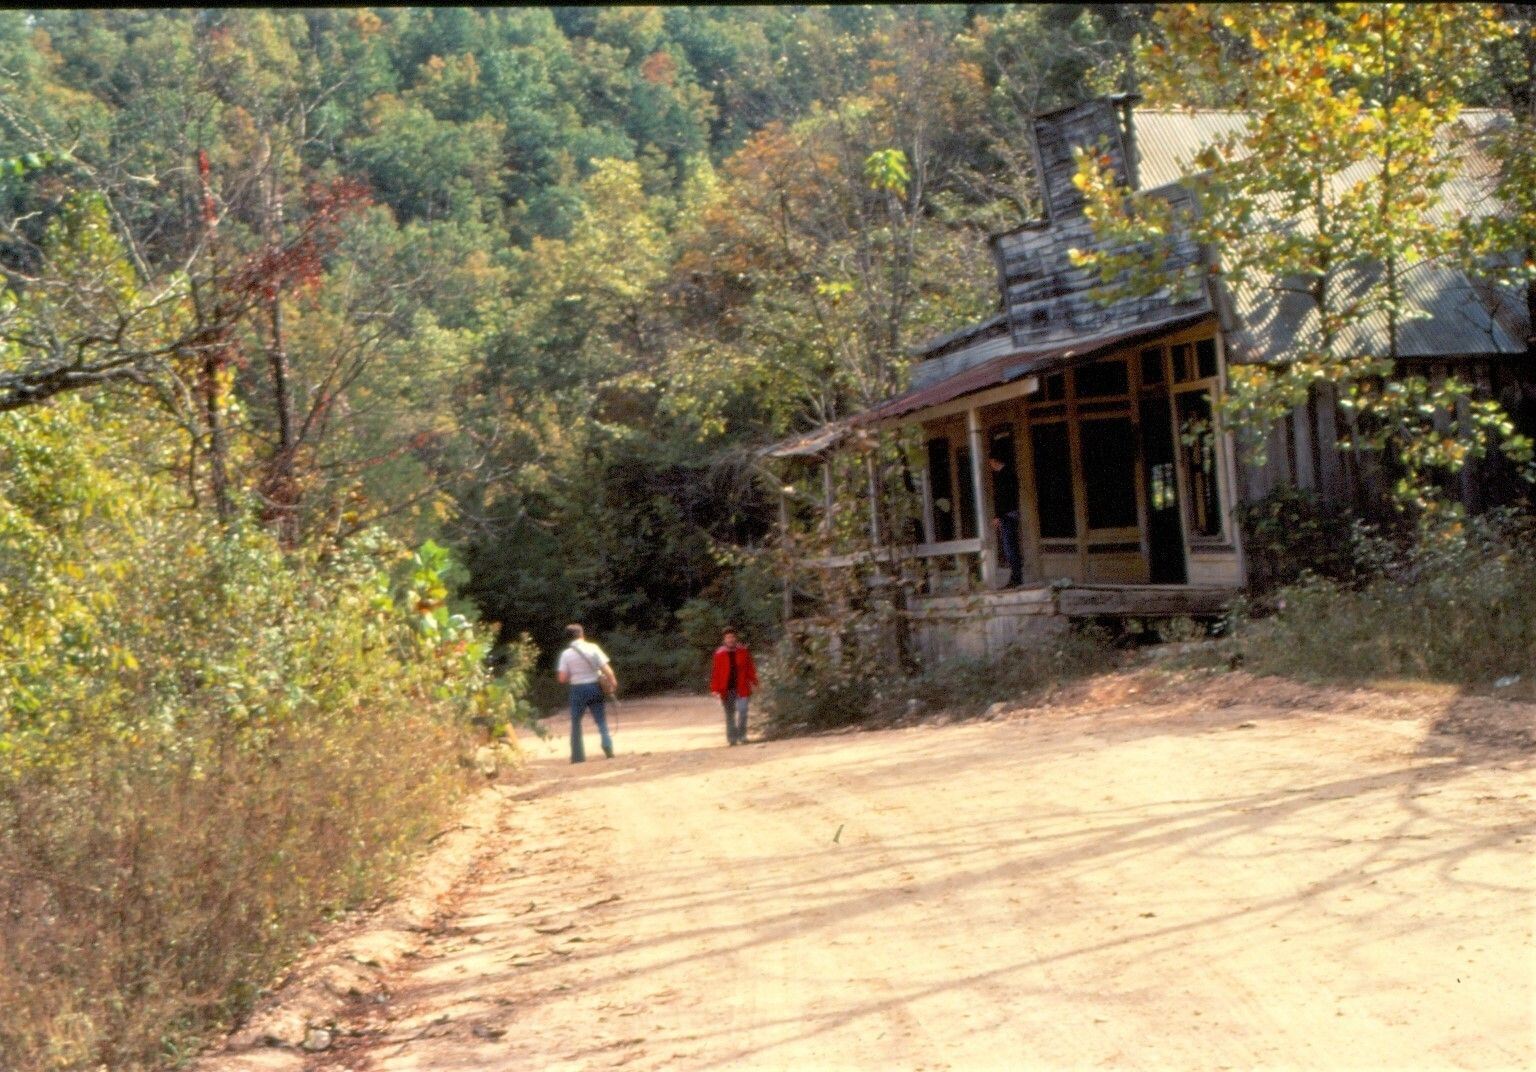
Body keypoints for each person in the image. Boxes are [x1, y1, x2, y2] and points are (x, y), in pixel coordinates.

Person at [557, 623, 615, 763]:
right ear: (582, 634)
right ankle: (608, 747)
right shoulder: (593, 648)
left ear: (568, 638)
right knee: (600, 719)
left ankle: (578, 756)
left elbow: (562, 678)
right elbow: (606, 669)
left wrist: (575, 674)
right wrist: (612, 682)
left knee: (576, 721)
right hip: (595, 687)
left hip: (577, 690)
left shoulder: (566, 654)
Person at [709, 627, 758, 747]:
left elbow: (750, 668)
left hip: (742, 687)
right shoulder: (719, 654)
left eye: (732, 637)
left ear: (735, 638)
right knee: (730, 714)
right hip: (726, 688)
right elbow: (716, 672)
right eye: (728, 638)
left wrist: (755, 682)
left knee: (743, 710)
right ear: (724, 640)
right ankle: (732, 738)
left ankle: (742, 735)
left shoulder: (743, 651)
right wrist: (715, 689)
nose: (730, 639)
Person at [988, 455, 1024, 588]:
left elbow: (1003, 498)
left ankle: (1016, 577)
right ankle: (1016, 576)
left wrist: (998, 516)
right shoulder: (1009, 473)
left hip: (1007, 515)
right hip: (1011, 513)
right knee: (1012, 546)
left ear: (994, 460)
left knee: (1009, 547)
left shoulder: (1004, 475)